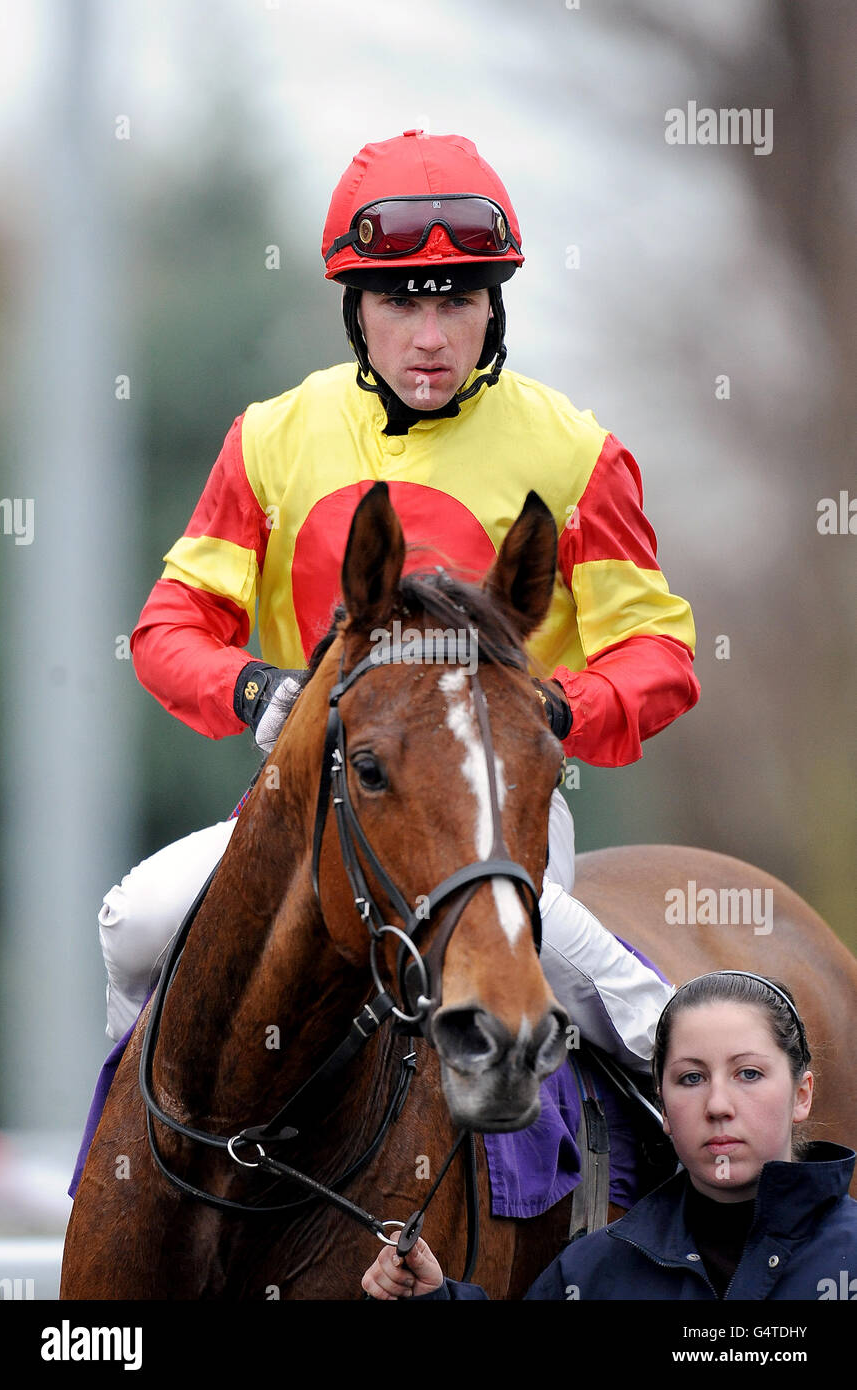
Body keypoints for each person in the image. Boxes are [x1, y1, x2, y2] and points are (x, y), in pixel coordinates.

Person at [98, 130, 700, 1074]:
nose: (430, 337)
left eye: (457, 302)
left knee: (604, 990)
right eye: (400, 303)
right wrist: (259, 691)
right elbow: (169, 629)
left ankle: (697, 1120)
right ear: (356, 310)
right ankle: (128, 1151)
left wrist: (555, 708)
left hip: (498, 812)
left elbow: (659, 652)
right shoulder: (269, 440)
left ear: (493, 307)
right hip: (317, 801)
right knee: (136, 921)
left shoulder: (577, 453)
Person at [361, 971, 857, 1301]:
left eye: (748, 1073)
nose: (718, 1105)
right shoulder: (591, 1273)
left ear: (802, 1095)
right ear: (663, 1106)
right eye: (691, 1078)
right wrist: (433, 1297)